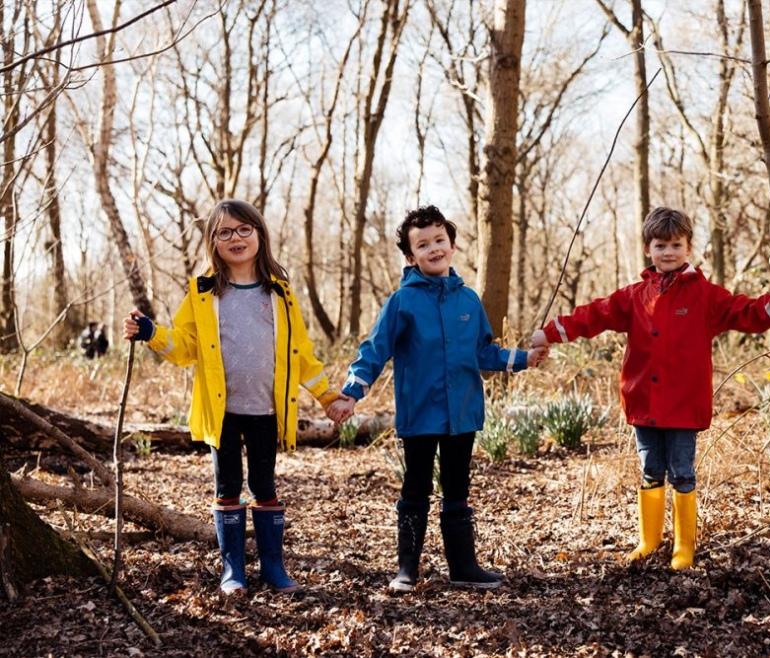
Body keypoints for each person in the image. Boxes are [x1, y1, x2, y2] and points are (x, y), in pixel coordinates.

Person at [531, 207, 770, 570]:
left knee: (683, 472)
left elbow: (745, 312)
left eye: (675, 245)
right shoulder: (634, 295)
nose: (668, 252)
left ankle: (683, 546)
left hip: (685, 405)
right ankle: (649, 540)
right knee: (651, 470)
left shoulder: (705, 296)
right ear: (647, 249)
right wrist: (550, 332)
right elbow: (595, 314)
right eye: (660, 245)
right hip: (644, 401)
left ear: (688, 248)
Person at [123, 199, 339, 595]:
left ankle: (273, 568)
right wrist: (152, 333)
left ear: (259, 234)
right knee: (227, 486)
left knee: (265, 484)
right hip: (221, 410)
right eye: (225, 232)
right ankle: (232, 571)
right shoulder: (204, 292)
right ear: (213, 242)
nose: (235, 238)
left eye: (243, 229)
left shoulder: (280, 293)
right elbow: (185, 346)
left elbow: (300, 353)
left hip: (266, 408)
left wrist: (327, 396)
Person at [328, 205, 548, 593]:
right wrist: (350, 394)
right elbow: (374, 351)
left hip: (462, 414)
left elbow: (484, 352)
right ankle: (406, 570)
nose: (434, 248)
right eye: (423, 244)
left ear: (452, 245)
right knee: (416, 488)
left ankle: (463, 567)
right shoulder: (402, 302)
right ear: (411, 257)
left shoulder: (469, 301)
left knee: (457, 488)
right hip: (420, 415)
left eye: (439, 240)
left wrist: (523, 359)